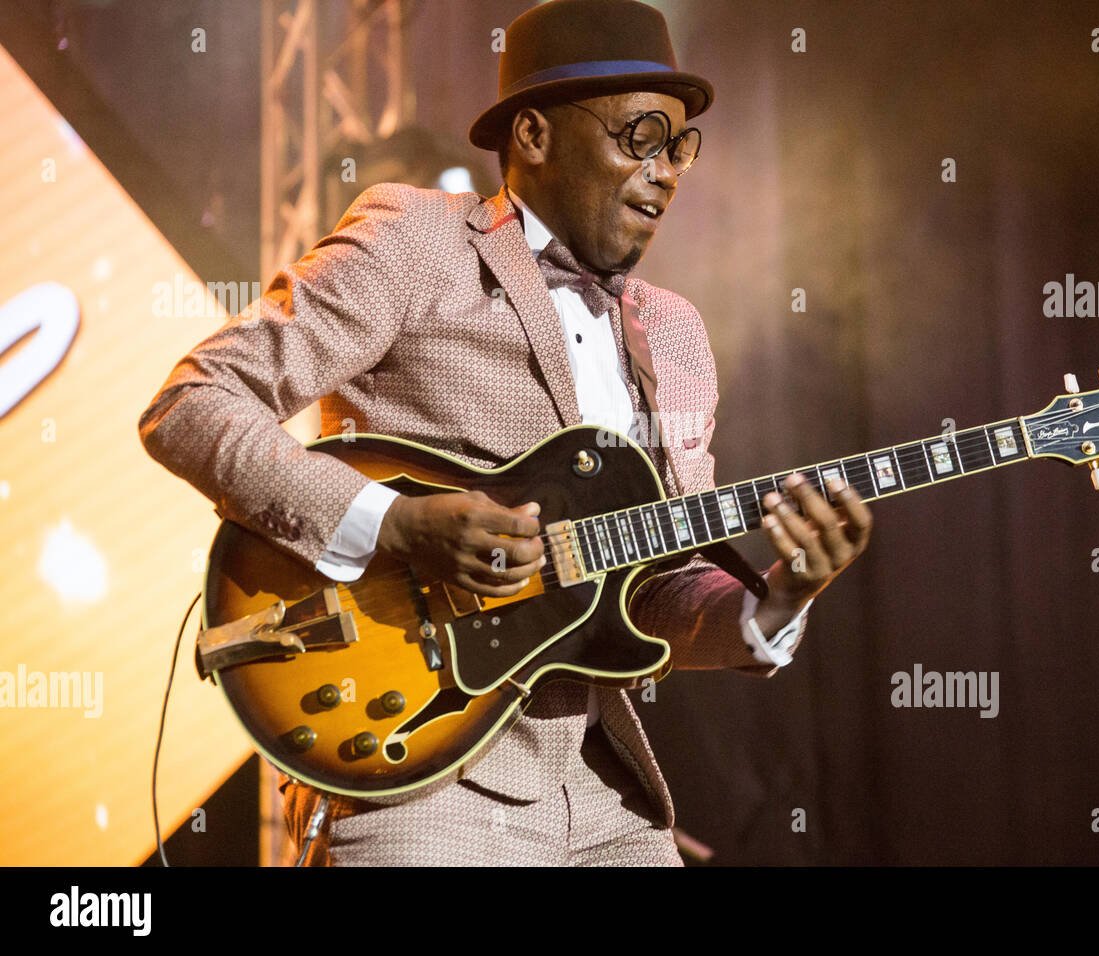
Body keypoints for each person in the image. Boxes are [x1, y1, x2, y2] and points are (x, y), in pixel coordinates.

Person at [138, 0, 871, 866]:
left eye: (680, 146)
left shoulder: (674, 334)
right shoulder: (417, 242)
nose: (667, 171)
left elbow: (657, 594)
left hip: (604, 789)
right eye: (641, 135)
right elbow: (192, 402)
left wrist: (782, 596)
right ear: (533, 134)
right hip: (419, 768)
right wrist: (397, 525)